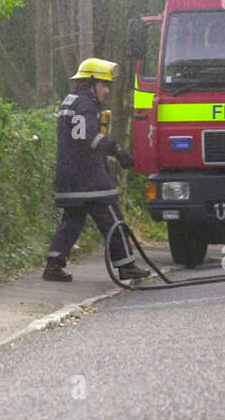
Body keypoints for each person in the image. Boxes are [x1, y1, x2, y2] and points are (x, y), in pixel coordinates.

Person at [43, 58, 150, 282]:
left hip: (70, 176)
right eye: (103, 84)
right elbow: (87, 137)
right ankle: (126, 265)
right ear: (90, 83)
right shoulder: (84, 104)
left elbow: (79, 138)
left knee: (72, 221)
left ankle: (53, 265)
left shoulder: (70, 101)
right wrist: (117, 151)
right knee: (112, 216)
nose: (107, 90)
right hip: (88, 178)